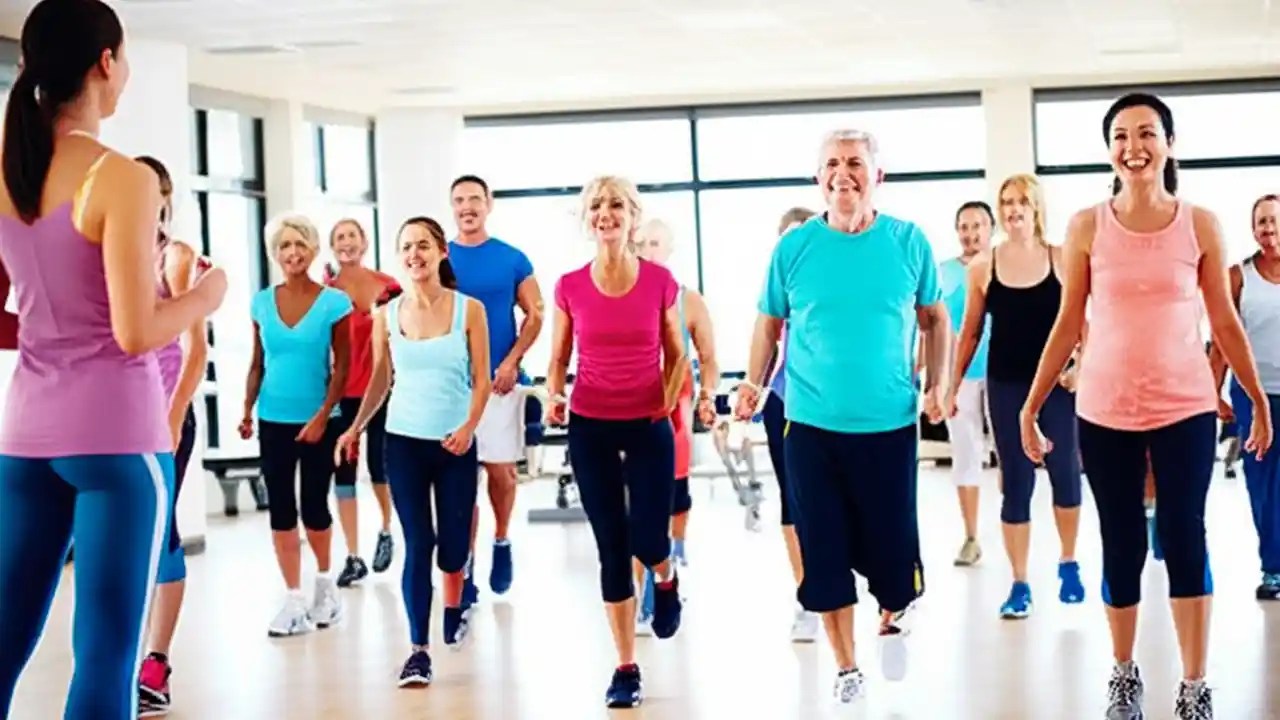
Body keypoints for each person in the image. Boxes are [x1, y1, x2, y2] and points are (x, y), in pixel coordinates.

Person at [0, 1, 227, 717]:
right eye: (123, 56)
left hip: (25, 440)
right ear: (105, 63)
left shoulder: (8, 174)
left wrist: (48, 335)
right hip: (119, 444)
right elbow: (138, 331)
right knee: (106, 656)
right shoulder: (122, 179)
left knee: (4, 640)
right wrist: (210, 294)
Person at [1020, 92, 1272, 720]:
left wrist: (1255, 400)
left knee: (1187, 536)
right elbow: (1067, 321)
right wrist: (1031, 405)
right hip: (1104, 409)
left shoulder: (1201, 223)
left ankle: (1194, 684)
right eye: (1121, 136)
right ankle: (1124, 673)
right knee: (1123, 541)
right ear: (1109, 150)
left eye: (1147, 133)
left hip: (1186, 405)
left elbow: (1226, 321)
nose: (1134, 147)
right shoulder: (1086, 225)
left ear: (1168, 143)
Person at [736, 129, 949, 705]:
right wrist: (753, 383)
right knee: (822, 543)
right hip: (809, 425)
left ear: (878, 174)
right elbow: (768, 324)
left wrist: (939, 381)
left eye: (855, 162)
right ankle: (847, 667)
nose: (843, 173)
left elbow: (934, 320)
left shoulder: (908, 242)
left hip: (887, 425)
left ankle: (894, 611)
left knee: (893, 546)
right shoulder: (795, 248)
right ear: (817, 178)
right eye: (831, 163)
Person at [546, 175, 687, 709]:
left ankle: (666, 577)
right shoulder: (569, 285)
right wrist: (555, 393)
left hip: (648, 420)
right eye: (596, 206)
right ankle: (626, 666)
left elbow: (677, 354)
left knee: (649, 540)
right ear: (588, 219)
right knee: (611, 546)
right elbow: (558, 358)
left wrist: (666, 402)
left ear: (632, 216)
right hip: (591, 423)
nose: (605, 214)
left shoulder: (659, 281)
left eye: (615, 206)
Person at [335, 216, 490, 687]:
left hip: (454, 442)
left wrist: (468, 426)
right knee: (418, 542)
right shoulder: (387, 315)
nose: (415, 254)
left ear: (442, 252)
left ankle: (456, 595)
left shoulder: (470, 311)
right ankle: (418, 651)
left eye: (423, 245)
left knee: (451, 545)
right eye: (406, 247)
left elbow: (481, 380)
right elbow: (382, 377)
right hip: (403, 441)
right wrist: (356, 427)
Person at [949, 174, 1085, 619]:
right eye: (1006, 201)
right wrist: (950, 386)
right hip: (1007, 385)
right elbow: (969, 332)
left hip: (1056, 387)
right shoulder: (983, 267)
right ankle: (1020, 582)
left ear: (1037, 207)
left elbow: (1086, 323)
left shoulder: (1062, 258)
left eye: (1021, 201)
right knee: (1017, 482)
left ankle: (1068, 562)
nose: (1013, 209)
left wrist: (1080, 366)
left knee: (1065, 473)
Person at [240, 213, 352, 638]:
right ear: (275, 254)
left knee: (315, 506)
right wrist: (247, 409)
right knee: (282, 509)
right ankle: (293, 599)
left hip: (319, 421)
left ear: (312, 248)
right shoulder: (261, 303)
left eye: (299, 244)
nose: (292, 253)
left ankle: (325, 586)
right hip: (272, 419)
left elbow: (342, 367)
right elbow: (257, 362)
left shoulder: (333, 303)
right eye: (284, 246)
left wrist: (324, 414)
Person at [133, 156, 211, 717]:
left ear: (164, 197)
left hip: (163, 415)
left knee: (161, 535)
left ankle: (155, 663)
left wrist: (176, 411)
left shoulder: (176, 257)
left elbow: (195, 348)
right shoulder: (104, 256)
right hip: (114, 418)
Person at [448, 174, 543, 605]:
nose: (467, 206)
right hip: (453, 385)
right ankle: (464, 567)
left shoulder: (512, 258)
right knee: (461, 479)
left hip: (501, 384)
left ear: (489, 204)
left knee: (500, 472)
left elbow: (536, 314)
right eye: (459, 200)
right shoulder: (440, 258)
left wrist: (512, 361)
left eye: (474, 199)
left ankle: (501, 540)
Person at [630, 218, 718, 636]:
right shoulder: (621, 295)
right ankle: (645, 588)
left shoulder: (688, 301)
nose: (647, 250)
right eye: (641, 243)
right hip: (629, 407)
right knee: (637, 505)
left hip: (674, 406)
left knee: (672, 495)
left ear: (669, 249)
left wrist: (707, 396)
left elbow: (709, 357)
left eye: (655, 243)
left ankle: (673, 551)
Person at [324, 218, 402, 587]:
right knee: (345, 470)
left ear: (365, 242)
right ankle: (353, 556)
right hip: (343, 392)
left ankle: (386, 530)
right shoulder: (327, 292)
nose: (347, 243)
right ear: (332, 246)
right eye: (340, 238)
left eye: (352, 236)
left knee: (380, 466)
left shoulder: (389, 287)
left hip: (383, 388)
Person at [1209, 193, 1280, 600]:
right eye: (1261, 223)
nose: (1267, 231)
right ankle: (1273, 568)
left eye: (1273, 221)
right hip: (1255, 399)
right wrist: (1212, 390)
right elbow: (1222, 340)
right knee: (1262, 486)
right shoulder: (1238, 276)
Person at [760, 206, 821, 642]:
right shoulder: (779, 284)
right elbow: (763, 341)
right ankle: (807, 595)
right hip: (784, 400)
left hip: (831, 405)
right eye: (787, 236)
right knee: (793, 502)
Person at [941, 200, 995, 567]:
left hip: (1004, 371)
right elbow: (931, 325)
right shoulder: (943, 271)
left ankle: (1015, 524)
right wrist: (932, 380)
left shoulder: (1003, 265)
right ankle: (972, 535)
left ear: (991, 229)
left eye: (978, 225)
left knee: (1013, 453)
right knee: (966, 452)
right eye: (964, 225)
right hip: (958, 374)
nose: (970, 233)